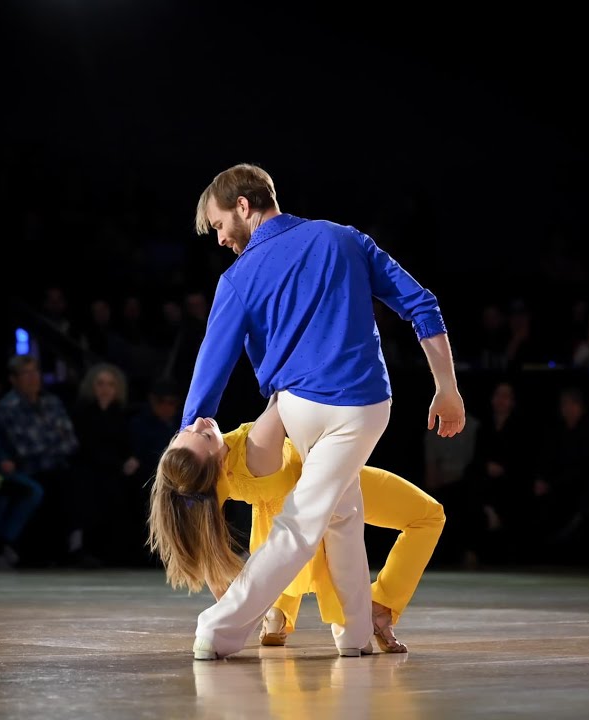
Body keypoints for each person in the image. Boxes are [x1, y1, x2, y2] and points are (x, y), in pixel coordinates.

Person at [182, 163, 465, 659]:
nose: (221, 239)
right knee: (331, 516)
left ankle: (223, 630)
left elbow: (212, 366)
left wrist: (186, 436)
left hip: (297, 409)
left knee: (320, 519)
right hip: (361, 408)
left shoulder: (237, 278)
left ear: (243, 206)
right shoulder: (344, 238)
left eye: (220, 225)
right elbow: (421, 304)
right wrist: (447, 387)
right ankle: (349, 635)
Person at [148, 403, 445, 653]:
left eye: (187, 431)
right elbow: (283, 397)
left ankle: (279, 611)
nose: (198, 421)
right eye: (204, 435)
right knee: (427, 517)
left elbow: (207, 544)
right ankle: (377, 607)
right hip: (327, 479)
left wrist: (230, 610)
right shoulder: (255, 447)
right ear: (219, 463)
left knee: (288, 543)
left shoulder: (205, 483)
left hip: (290, 504)